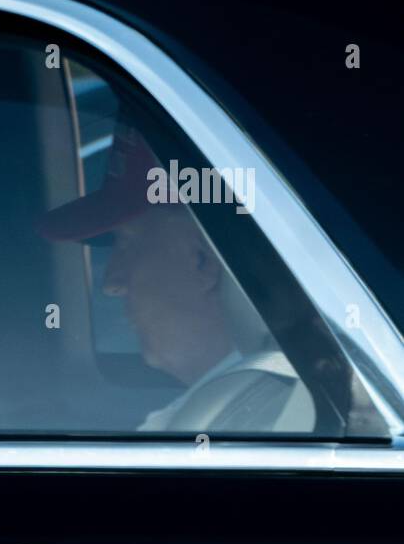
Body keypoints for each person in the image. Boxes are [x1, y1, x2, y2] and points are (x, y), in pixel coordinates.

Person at [37, 126, 313, 433]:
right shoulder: (263, 410)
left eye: (128, 244)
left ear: (201, 261)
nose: (111, 283)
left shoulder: (250, 426)